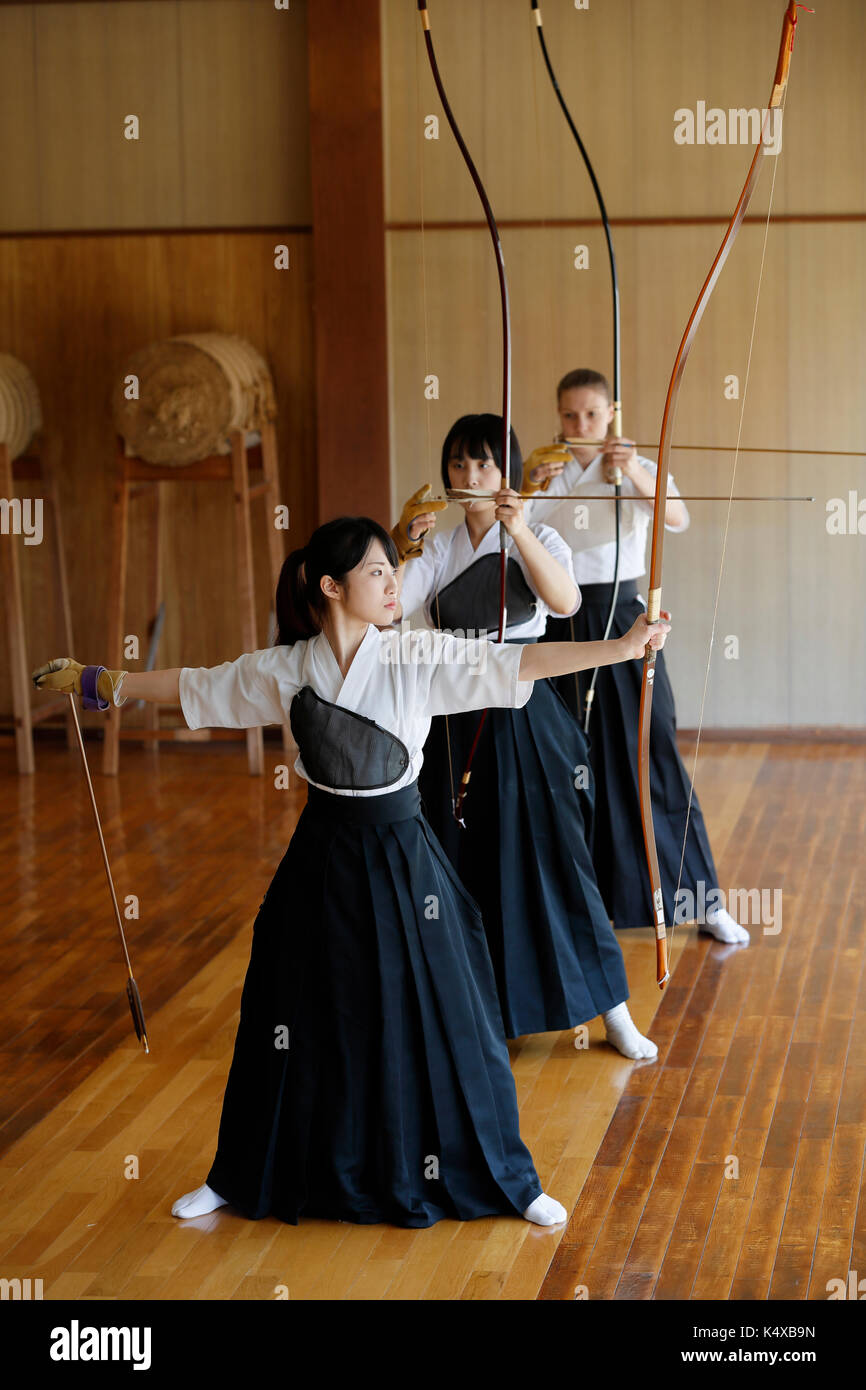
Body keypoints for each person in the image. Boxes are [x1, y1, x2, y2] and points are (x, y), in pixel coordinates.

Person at [32, 515, 669, 1230]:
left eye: (394, 568)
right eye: (375, 572)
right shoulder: (289, 668)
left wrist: (621, 646)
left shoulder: (414, 654)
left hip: (405, 855)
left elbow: (515, 664)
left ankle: (510, 1179)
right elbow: (198, 687)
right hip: (322, 856)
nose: (394, 582)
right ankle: (241, 1174)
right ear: (331, 587)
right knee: (283, 1009)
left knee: (451, 1010)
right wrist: (102, 681)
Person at [392, 414, 662, 1060]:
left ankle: (613, 1010)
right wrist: (402, 547)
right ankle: (467, 1015)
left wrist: (517, 529)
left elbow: (565, 602)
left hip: (523, 711)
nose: (469, 477)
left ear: (507, 472)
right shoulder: (435, 545)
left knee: (556, 862)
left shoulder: (538, 533)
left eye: (484, 465)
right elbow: (391, 608)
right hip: (452, 714)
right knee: (459, 865)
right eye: (458, 465)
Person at [523, 368, 747, 944]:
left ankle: (703, 900)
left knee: (652, 748)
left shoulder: (632, 468)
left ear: (611, 413)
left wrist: (635, 471)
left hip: (626, 618)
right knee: (571, 761)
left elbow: (678, 516)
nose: (580, 426)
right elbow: (513, 541)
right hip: (563, 627)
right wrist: (525, 487)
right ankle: (579, 910)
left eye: (591, 415)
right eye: (569, 416)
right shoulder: (546, 472)